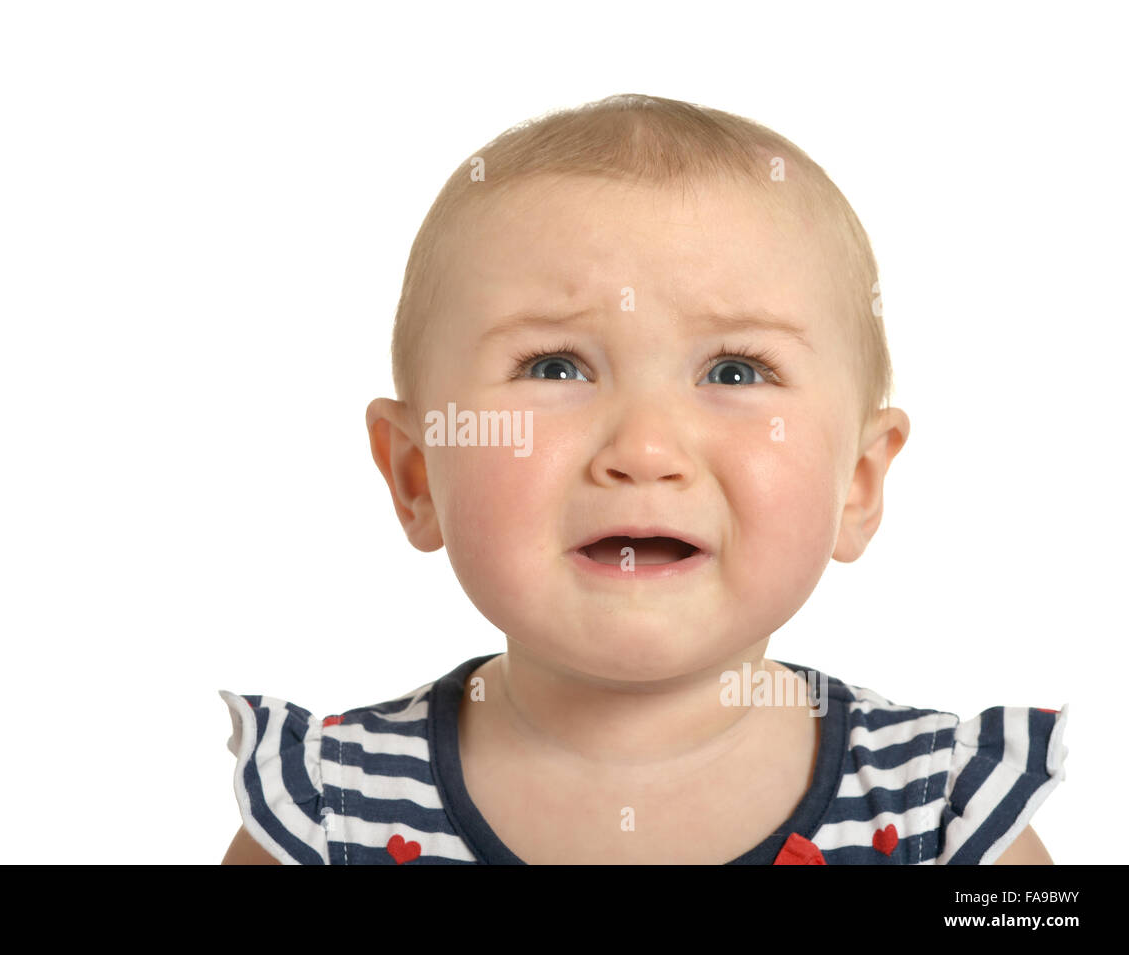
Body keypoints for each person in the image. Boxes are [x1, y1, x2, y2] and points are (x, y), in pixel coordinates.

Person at [219, 93, 1068, 865]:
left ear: (857, 482)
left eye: (736, 371)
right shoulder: (325, 815)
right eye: (554, 366)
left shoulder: (948, 818)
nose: (645, 447)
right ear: (415, 473)